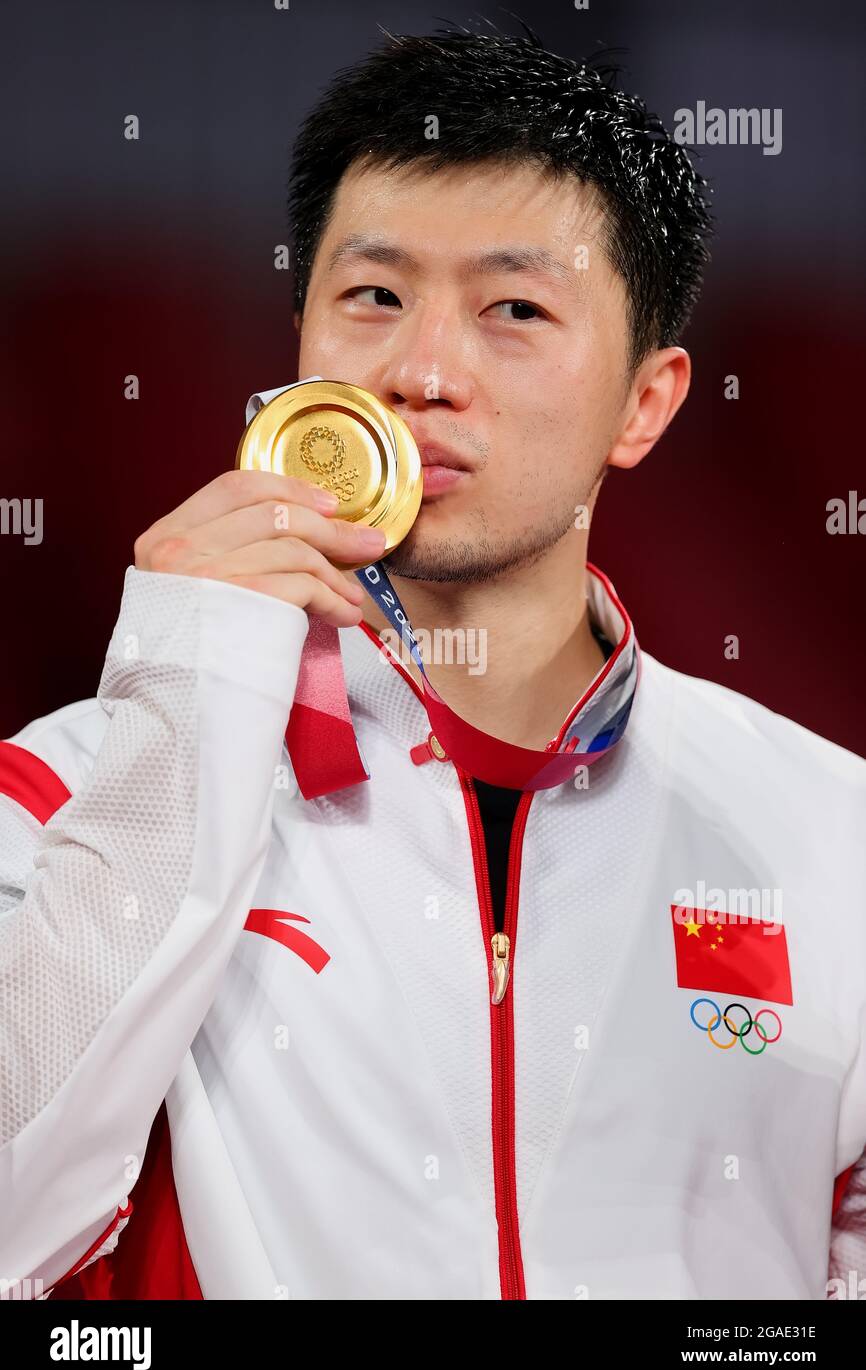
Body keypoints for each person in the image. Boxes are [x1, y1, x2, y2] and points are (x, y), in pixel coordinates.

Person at [1, 25, 864, 1302]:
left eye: (513, 309)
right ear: (300, 345)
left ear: (645, 402)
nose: (420, 371)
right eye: (373, 297)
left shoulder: (829, 830)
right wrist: (182, 721)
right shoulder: (67, 792)